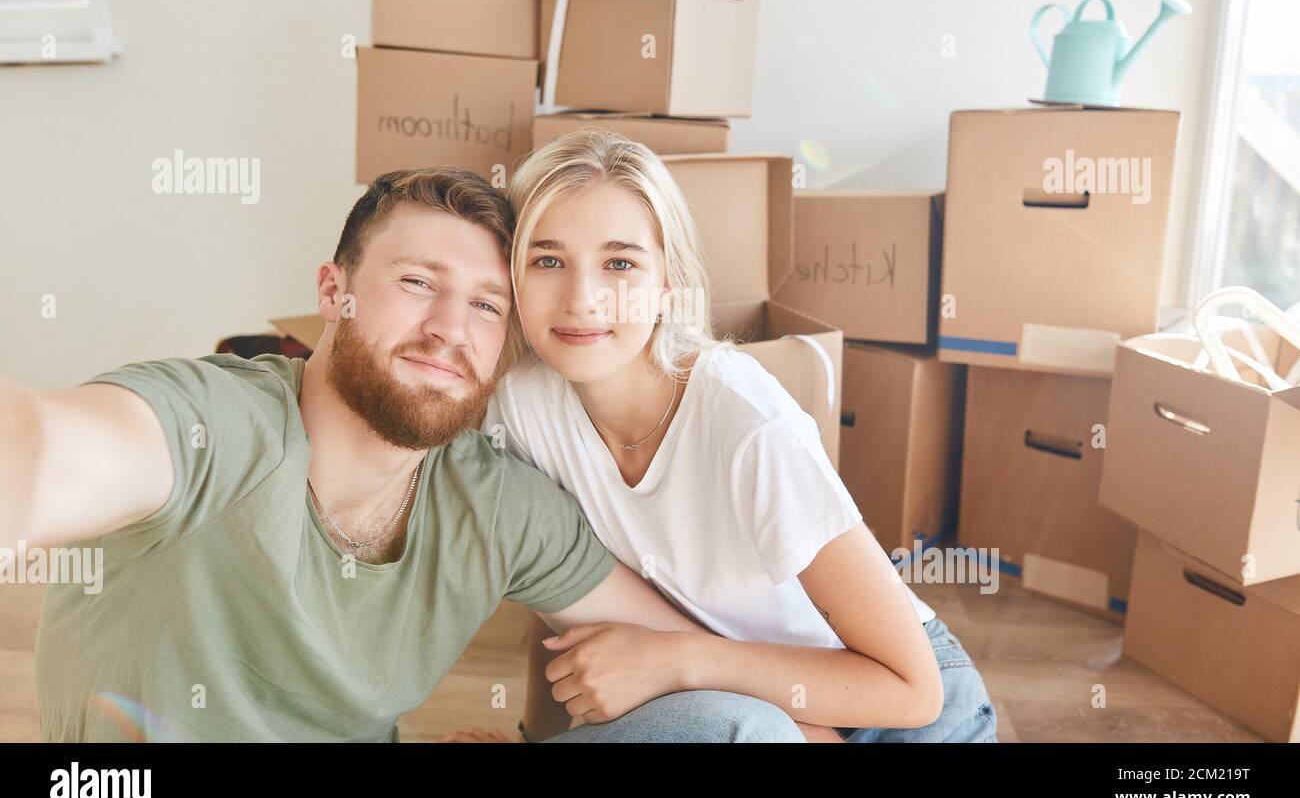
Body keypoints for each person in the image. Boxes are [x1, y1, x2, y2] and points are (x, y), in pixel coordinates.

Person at [8, 167, 804, 743]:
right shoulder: (216, 425)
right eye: (418, 282)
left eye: (488, 306)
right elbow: (47, 452)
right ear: (333, 291)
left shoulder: (491, 500)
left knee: (738, 728)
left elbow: (696, 663)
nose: (450, 328)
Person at [467, 132, 997, 744]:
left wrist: (675, 660)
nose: (582, 299)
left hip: (895, 711)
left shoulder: (745, 423)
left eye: (620, 263)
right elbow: (568, 611)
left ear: (668, 282)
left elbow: (913, 689)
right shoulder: (523, 407)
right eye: (547, 259)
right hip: (736, 710)